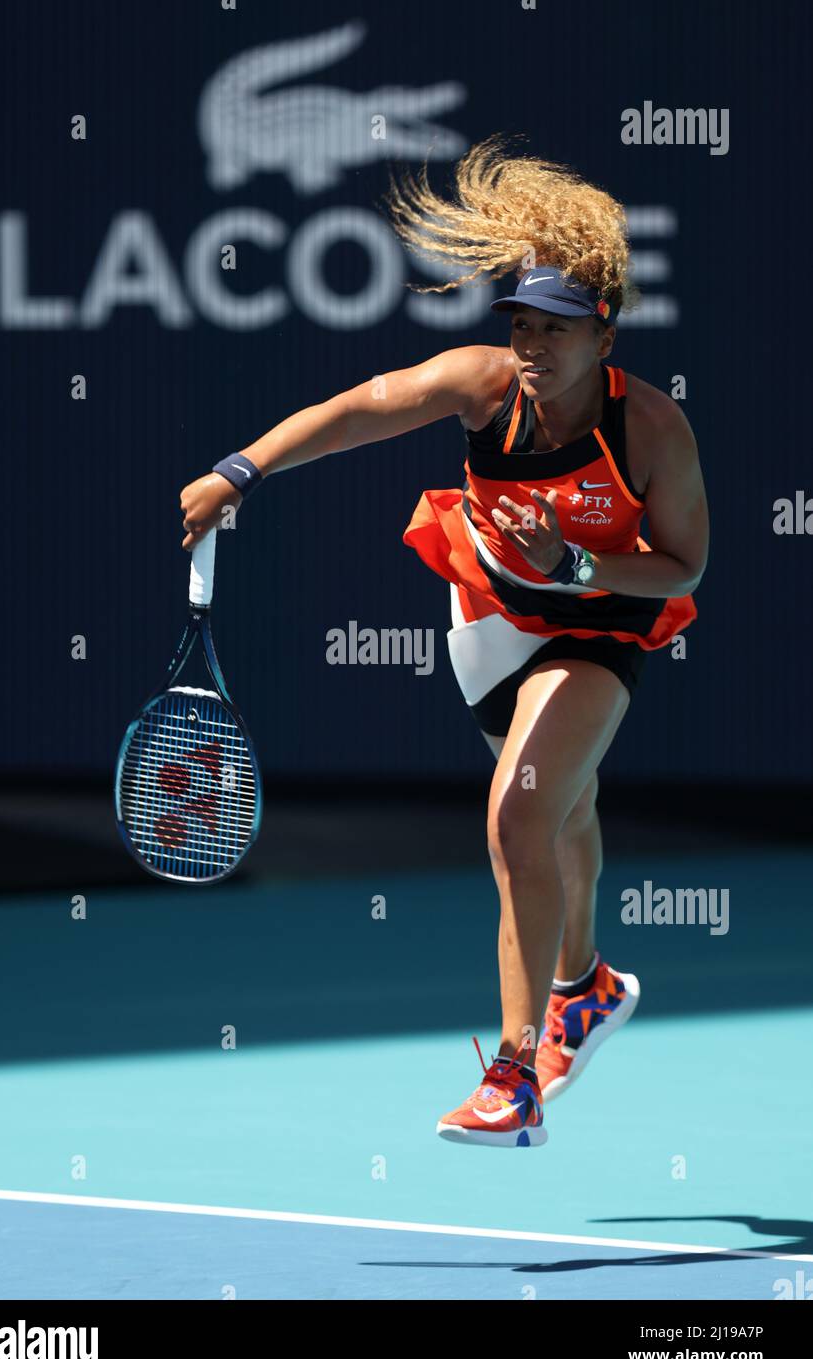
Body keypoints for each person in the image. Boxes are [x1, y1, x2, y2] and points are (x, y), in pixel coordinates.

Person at [179, 137, 709, 1150]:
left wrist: (581, 569)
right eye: (519, 323)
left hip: (596, 624)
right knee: (562, 811)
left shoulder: (648, 429)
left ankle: (511, 1073)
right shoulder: (480, 387)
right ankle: (584, 984)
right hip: (487, 626)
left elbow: (681, 565)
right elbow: (350, 415)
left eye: (554, 330)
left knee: (518, 811)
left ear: (602, 336)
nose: (531, 346)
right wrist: (237, 472)